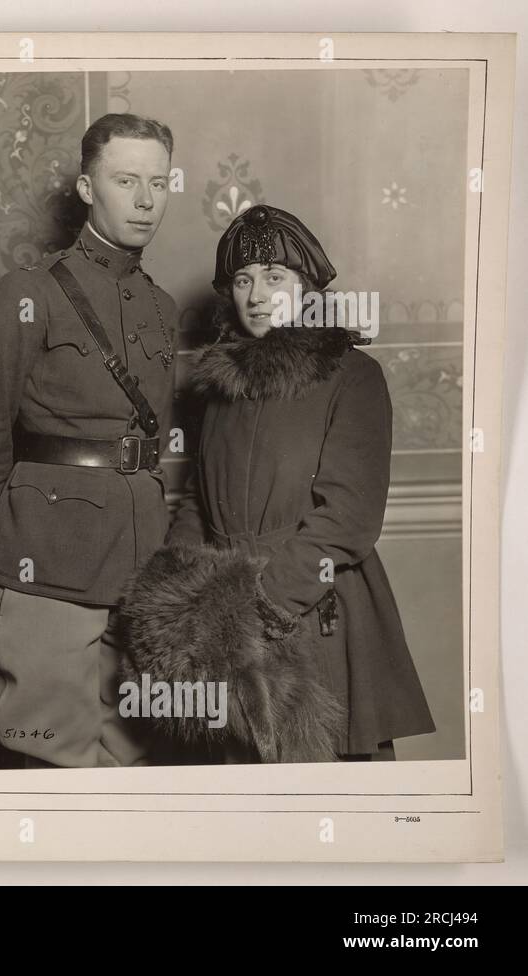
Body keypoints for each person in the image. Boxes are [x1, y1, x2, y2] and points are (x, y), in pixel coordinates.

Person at [119, 204, 436, 763]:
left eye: (274, 277)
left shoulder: (354, 376)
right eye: (243, 279)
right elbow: (199, 501)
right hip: (224, 619)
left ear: (307, 287)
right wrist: (173, 597)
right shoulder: (219, 386)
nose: (257, 294)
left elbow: (348, 520)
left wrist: (260, 607)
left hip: (313, 609)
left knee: (331, 801)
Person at [0, 113, 180, 768]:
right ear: (84, 187)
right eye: (125, 180)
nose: (144, 199)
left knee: (128, 759)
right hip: (45, 559)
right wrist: (8, 538)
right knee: (48, 758)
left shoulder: (159, 308)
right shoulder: (29, 294)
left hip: (141, 563)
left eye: (158, 182)